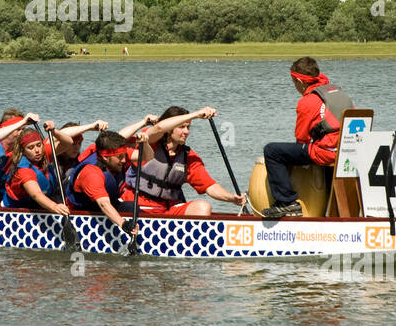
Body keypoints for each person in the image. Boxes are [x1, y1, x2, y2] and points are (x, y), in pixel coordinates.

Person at [260, 57, 354, 218]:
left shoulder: (308, 101)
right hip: (350, 150)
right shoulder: (338, 92)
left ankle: (287, 203)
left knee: (272, 151)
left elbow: (301, 138)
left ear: (298, 80)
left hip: (327, 152)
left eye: (293, 82)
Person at [127, 106, 246, 216]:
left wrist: (232, 198)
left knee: (203, 207)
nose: (186, 132)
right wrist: (196, 115)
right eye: (182, 127)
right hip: (138, 206)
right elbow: (159, 127)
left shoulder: (188, 156)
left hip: (169, 210)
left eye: (188, 127)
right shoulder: (149, 141)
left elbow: (209, 186)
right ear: (169, 129)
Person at [63, 129, 139, 233]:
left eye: (124, 156)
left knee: (132, 207)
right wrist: (123, 224)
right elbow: (104, 204)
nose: (124, 160)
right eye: (120, 157)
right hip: (83, 213)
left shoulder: (114, 153)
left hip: (105, 204)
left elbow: (148, 156)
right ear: (105, 157)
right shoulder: (91, 173)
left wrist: (145, 143)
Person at [2, 126, 71, 218]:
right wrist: (54, 206)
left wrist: (54, 131)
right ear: (23, 151)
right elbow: (36, 194)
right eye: (30, 147)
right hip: (14, 212)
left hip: (36, 207)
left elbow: (68, 143)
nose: (37, 150)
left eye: (39, 145)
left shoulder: (43, 153)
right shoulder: (23, 170)